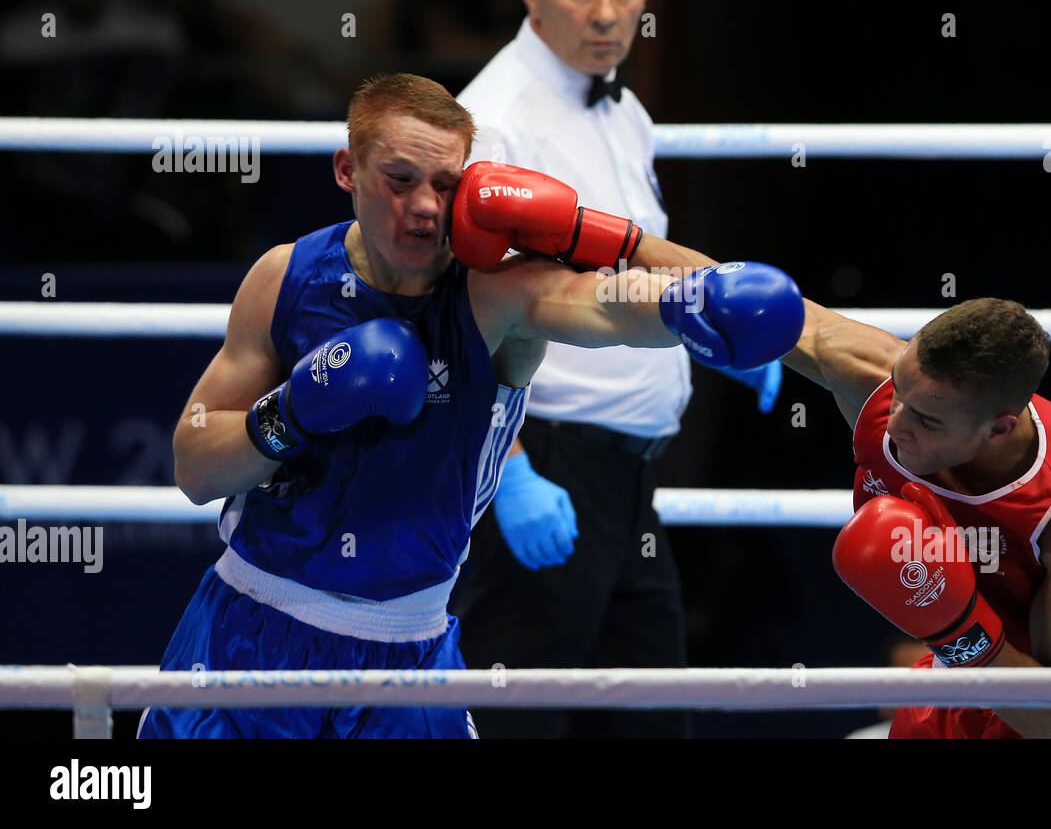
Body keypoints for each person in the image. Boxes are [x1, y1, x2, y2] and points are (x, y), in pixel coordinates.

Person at [137, 72, 803, 739]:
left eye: (446, 185)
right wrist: (296, 411)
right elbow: (195, 470)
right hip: (250, 629)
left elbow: (601, 305)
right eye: (400, 180)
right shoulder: (285, 277)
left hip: (411, 655)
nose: (425, 206)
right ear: (348, 170)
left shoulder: (494, 294)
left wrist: (691, 303)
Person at [451, 0, 779, 739]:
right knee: (515, 726)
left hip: (631, 483)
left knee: (648, 723)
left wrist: (714, 342)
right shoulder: (495, 124)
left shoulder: (623, 110)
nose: (606, 13)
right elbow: (461, 312)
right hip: (548, 459)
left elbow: (632, 270)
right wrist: (512, 471)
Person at [784, 296, 1051, 738]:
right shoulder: (877, 379)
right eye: (899, 394)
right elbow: (735, 293)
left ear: (1000, 429)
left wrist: (958, 631)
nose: (895, 425)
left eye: (927, 421)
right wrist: (696, 298)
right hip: (950, 676)